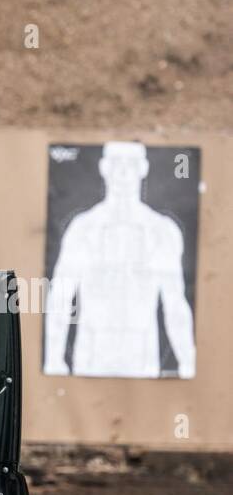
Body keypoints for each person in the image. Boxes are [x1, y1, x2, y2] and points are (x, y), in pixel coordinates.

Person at [44, 141, 196, 378]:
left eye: (131, 164)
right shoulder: (83, 229)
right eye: (117, 164)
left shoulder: (161, 232)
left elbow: (175, 305)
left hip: (141, 356)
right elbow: (60, 299)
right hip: (92, 355)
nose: (124, 173)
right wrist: (53, 358)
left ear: (143, 169)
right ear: (105, 168)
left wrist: (187, 362)